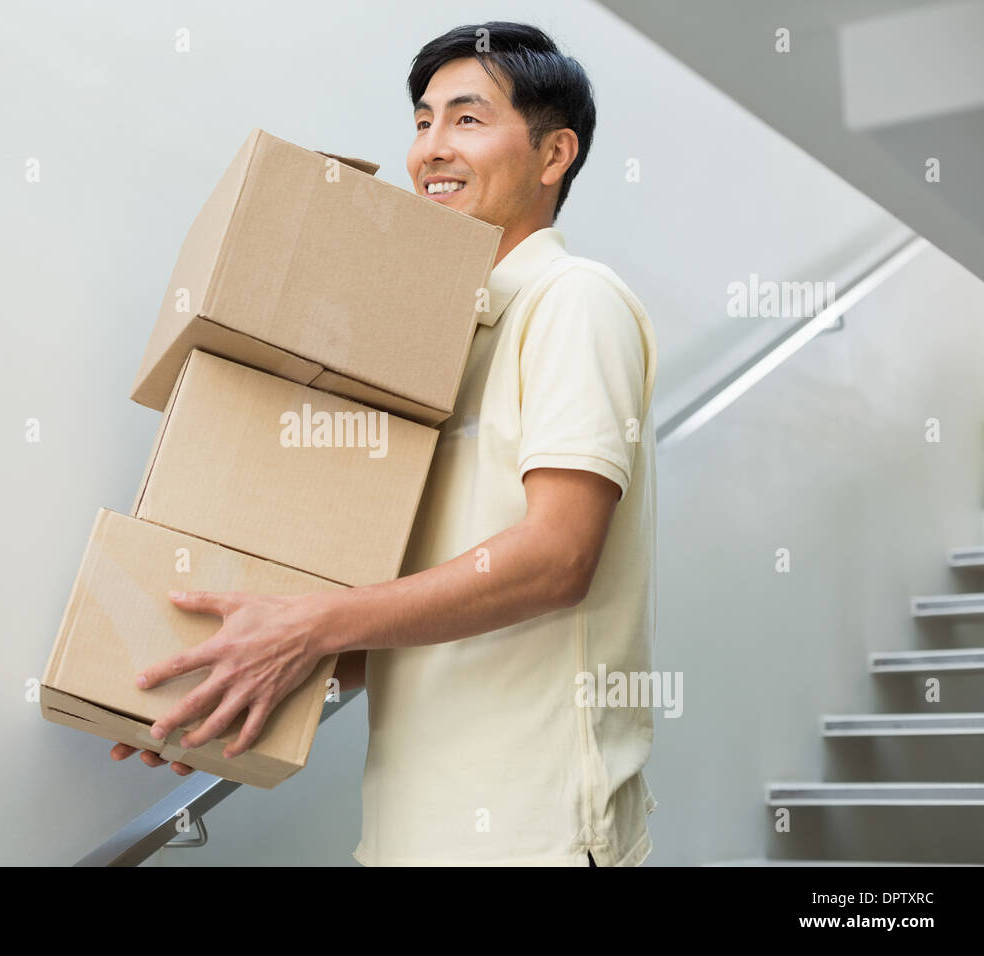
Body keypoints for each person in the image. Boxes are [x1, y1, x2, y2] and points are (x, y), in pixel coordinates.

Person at [113, 20, 659, 867]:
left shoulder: (572, 300)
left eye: (467, 120)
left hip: (529, 834)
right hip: (411, 835)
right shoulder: (434, 348)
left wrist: (311, 624)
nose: (431, 150)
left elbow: (559, 557)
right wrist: (220, 677)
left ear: (555, 156)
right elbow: (407, 622)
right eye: (421, 122)